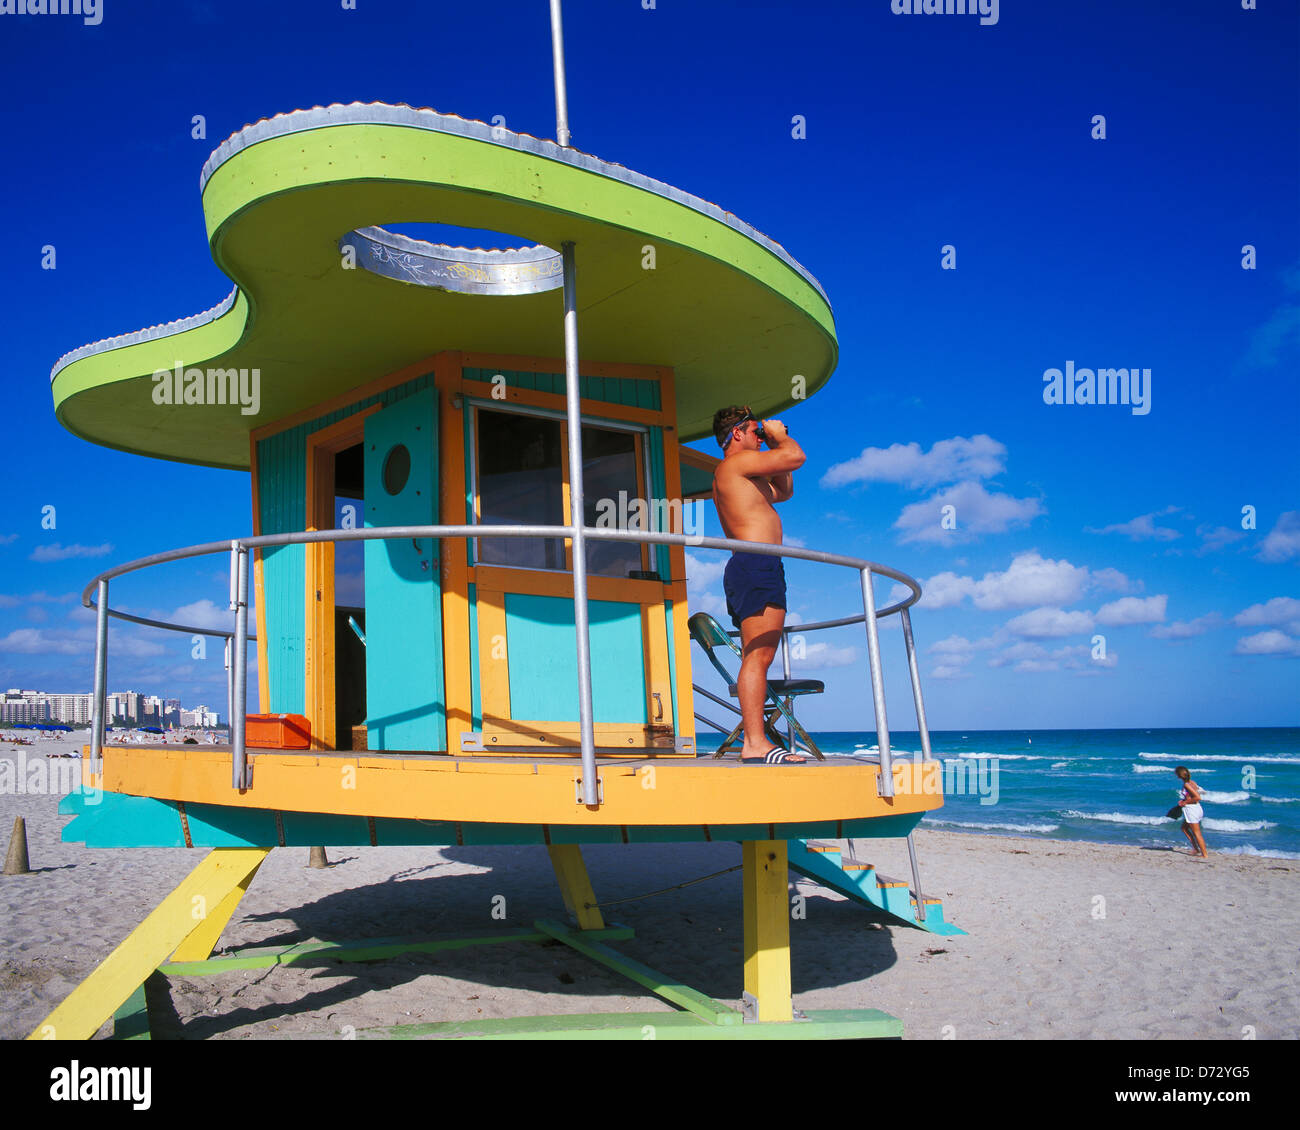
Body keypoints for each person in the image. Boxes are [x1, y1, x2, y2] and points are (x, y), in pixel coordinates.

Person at [710, 404, 807, 764]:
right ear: (736, 433)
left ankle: (755, 741)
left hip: (756, 565)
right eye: (754, 431)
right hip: (756, 565)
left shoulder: (742, 474)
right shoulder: (734, 465)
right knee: (759, 655)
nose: (760, 436)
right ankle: (754, 743)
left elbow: (784, 490)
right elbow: (794, 457)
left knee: (759, 655)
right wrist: (780, 438)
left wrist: (770, 442)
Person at [1174, 765, 1209, 858]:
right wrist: (1186, 800)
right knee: (1184, 828)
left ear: (1179, 775)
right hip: (1197, 808)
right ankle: (1196, 849)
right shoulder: (1192, 782)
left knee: (1197, 833)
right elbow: (1199, 792)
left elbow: (1197, 797)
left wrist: (1184, 802)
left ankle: (1204, 854)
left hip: (1192, 810)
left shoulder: (1186, 785)